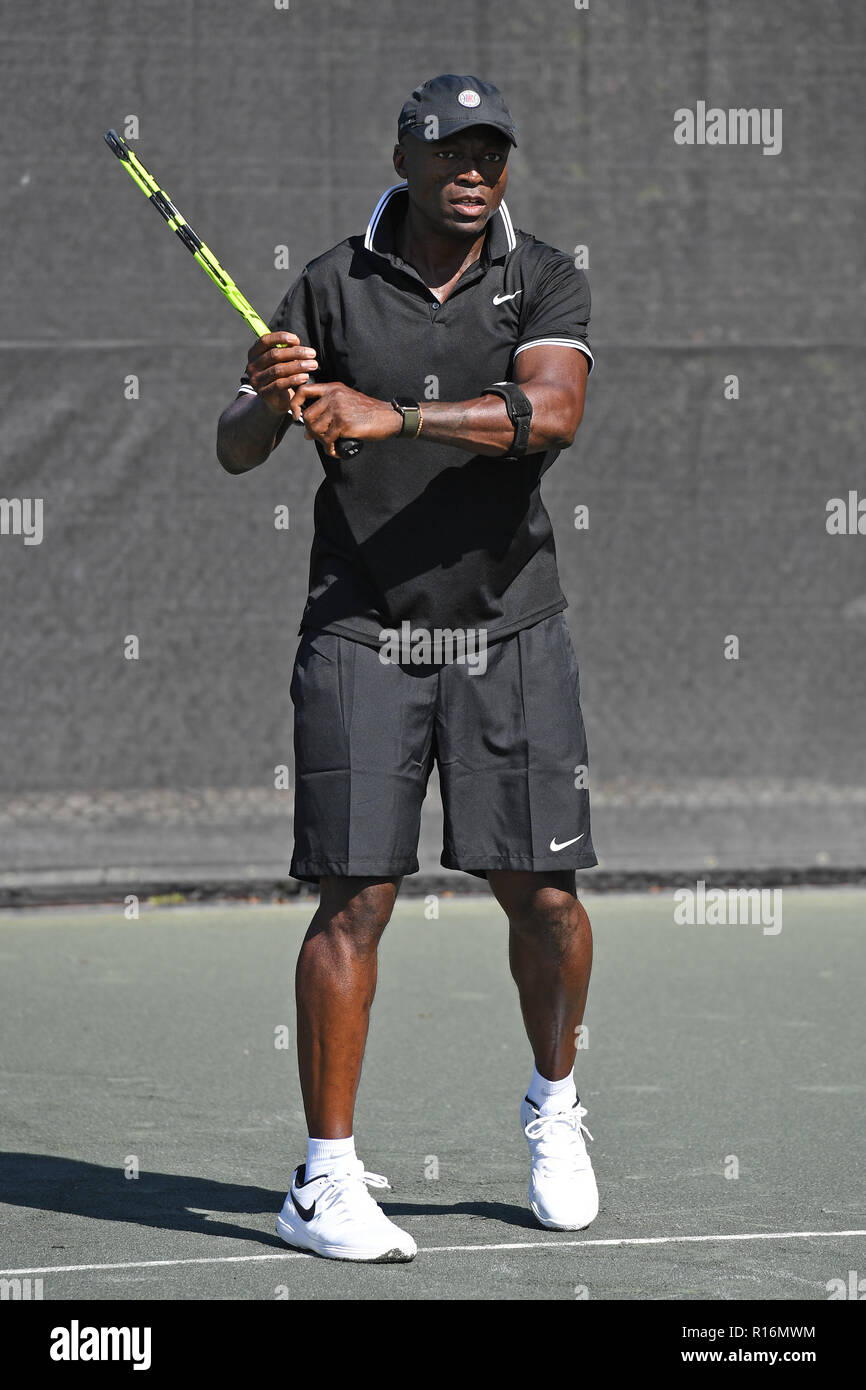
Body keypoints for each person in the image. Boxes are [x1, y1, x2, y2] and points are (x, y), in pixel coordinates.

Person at [217, 74, 598, 1264]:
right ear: (405, 154)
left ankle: (553, 1107)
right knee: (356, 894)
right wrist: (274, 401)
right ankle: (322, 1180)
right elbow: (233, 446)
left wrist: (396, 415)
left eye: (490, 149)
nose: (472, 168)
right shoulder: (327, 283)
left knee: (542, 897)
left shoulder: (541, 275)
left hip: (509, 627)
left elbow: (553, 411)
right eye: (449, 149)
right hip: (360, 628)